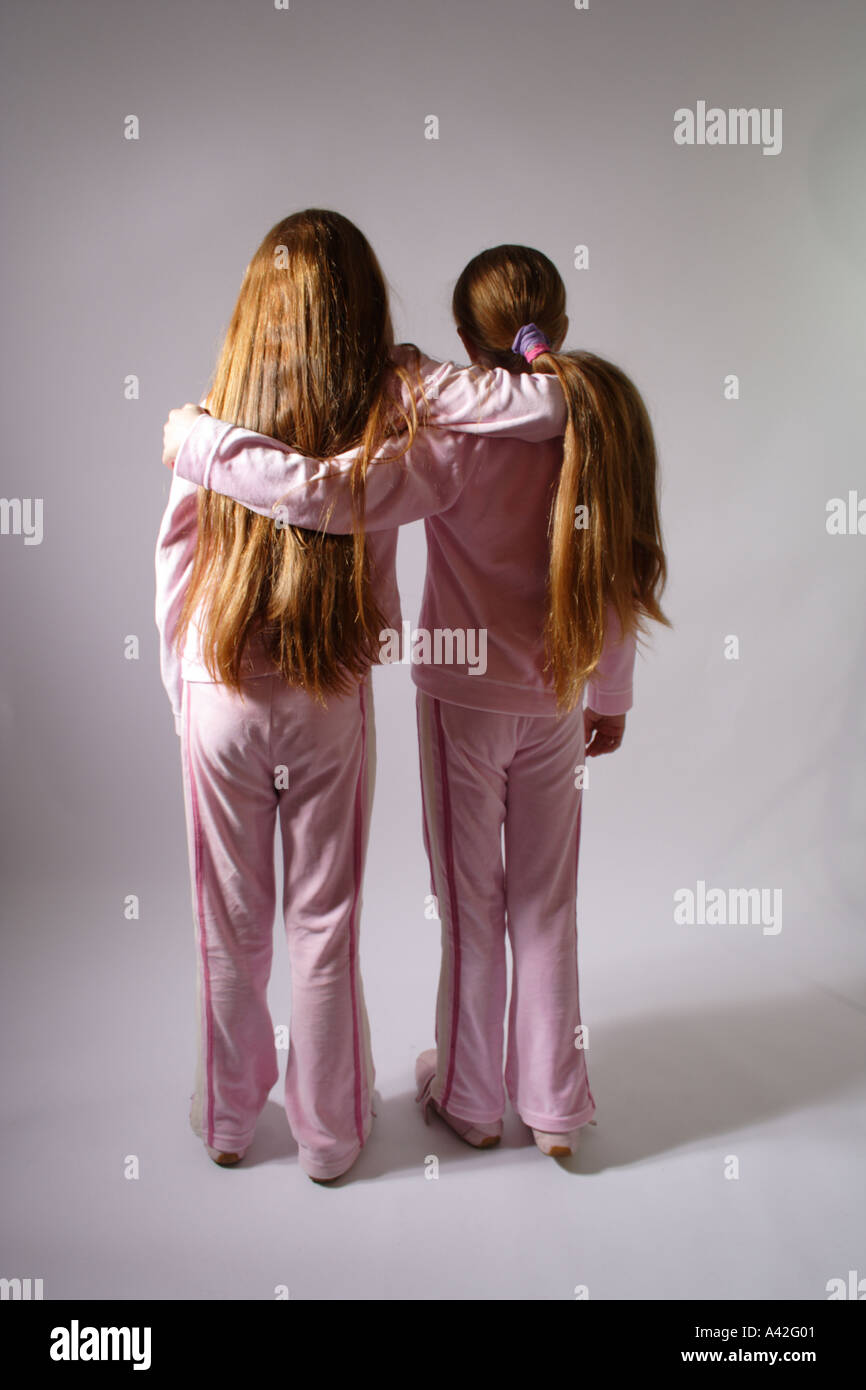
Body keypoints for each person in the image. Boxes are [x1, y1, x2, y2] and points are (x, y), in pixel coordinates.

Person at [162, 242, 670, 1162]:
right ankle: (555, 1107)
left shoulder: (445, 433)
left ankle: (471, 1100)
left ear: (469, 338)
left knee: (470, 905)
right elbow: (616, 572)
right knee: (548, 906)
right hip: (556, 699)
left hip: (458, 701)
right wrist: (611, 692)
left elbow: (322, 502)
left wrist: (211, 446)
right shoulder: (597, 424)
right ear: (555, 324)